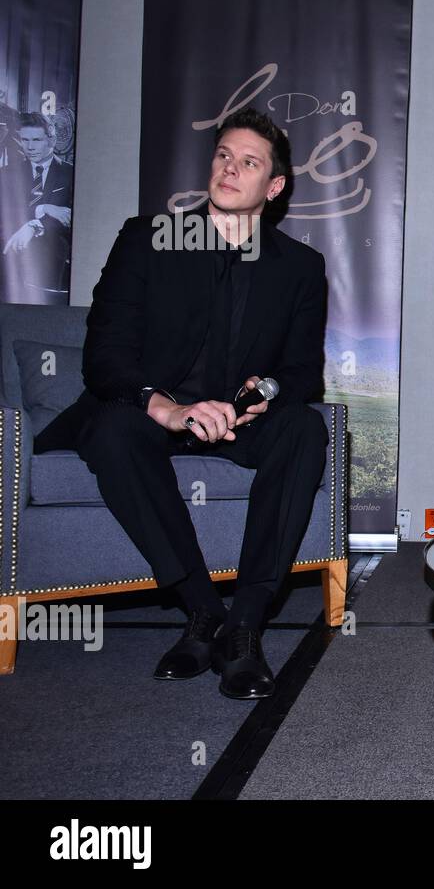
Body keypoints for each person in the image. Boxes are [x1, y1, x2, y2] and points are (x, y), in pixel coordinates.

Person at [36, 107, 328, 700]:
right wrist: (165, 408)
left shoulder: (300, 267)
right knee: (111, 430)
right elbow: (106, 356)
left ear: (273, 188)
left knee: (304, 429)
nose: (229, 169)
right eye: (223, 155)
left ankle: (244, 625)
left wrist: (264, 395)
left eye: (249, 162)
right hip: (153, 416)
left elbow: (302, 373)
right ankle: (201, 611)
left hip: (238, 420)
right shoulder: (147, 239)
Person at [1, 112, 74, 303]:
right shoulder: (7, 174)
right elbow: (5, 214)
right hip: (9, 258)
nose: (30, 147)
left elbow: (69, 219)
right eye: (25, 140)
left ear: (51, 140)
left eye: (36, 140)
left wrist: (33, 226)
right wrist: (44, 209)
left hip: (51, 259)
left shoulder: (71, 173)